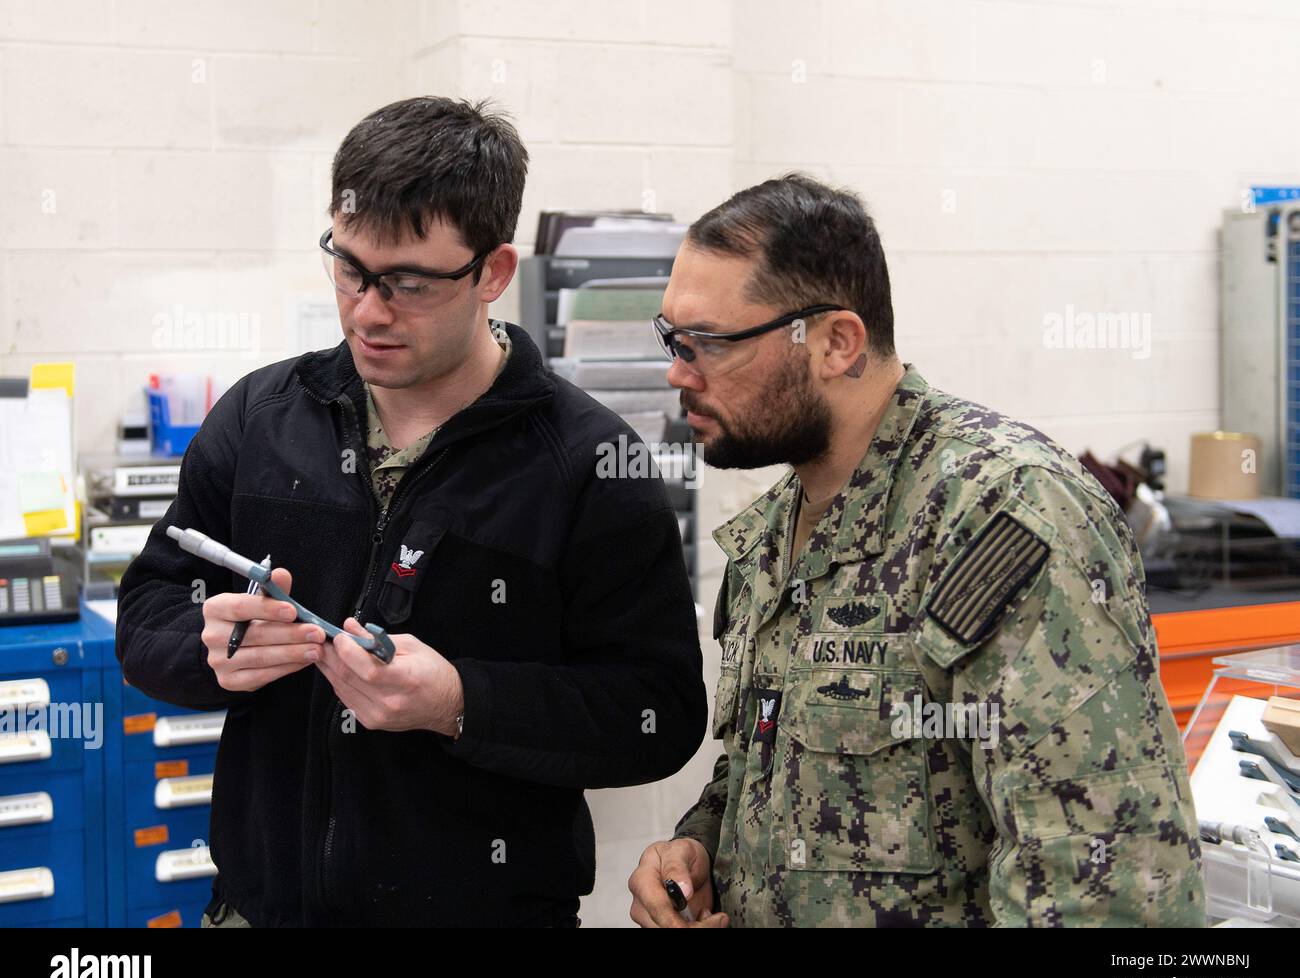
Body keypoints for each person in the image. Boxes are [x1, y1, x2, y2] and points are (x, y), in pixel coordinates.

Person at [116, 97, 705, 928]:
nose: (367, 310)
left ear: (494, 273)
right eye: (350, 267)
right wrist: (208, 645)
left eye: (409, 283)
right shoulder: (259, 418)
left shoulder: (588, 463)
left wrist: (461, 702)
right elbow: (145, 615)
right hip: (259, 910)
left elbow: (660, 713)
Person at [627, 173, 1205, 928]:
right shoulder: (773, 536)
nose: (678, 372)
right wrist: (701, 849)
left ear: (837, 343)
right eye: (673, 339)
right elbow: (773, 773)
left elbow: (1111, 882)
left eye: (710, 343)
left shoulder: (1002, 515)